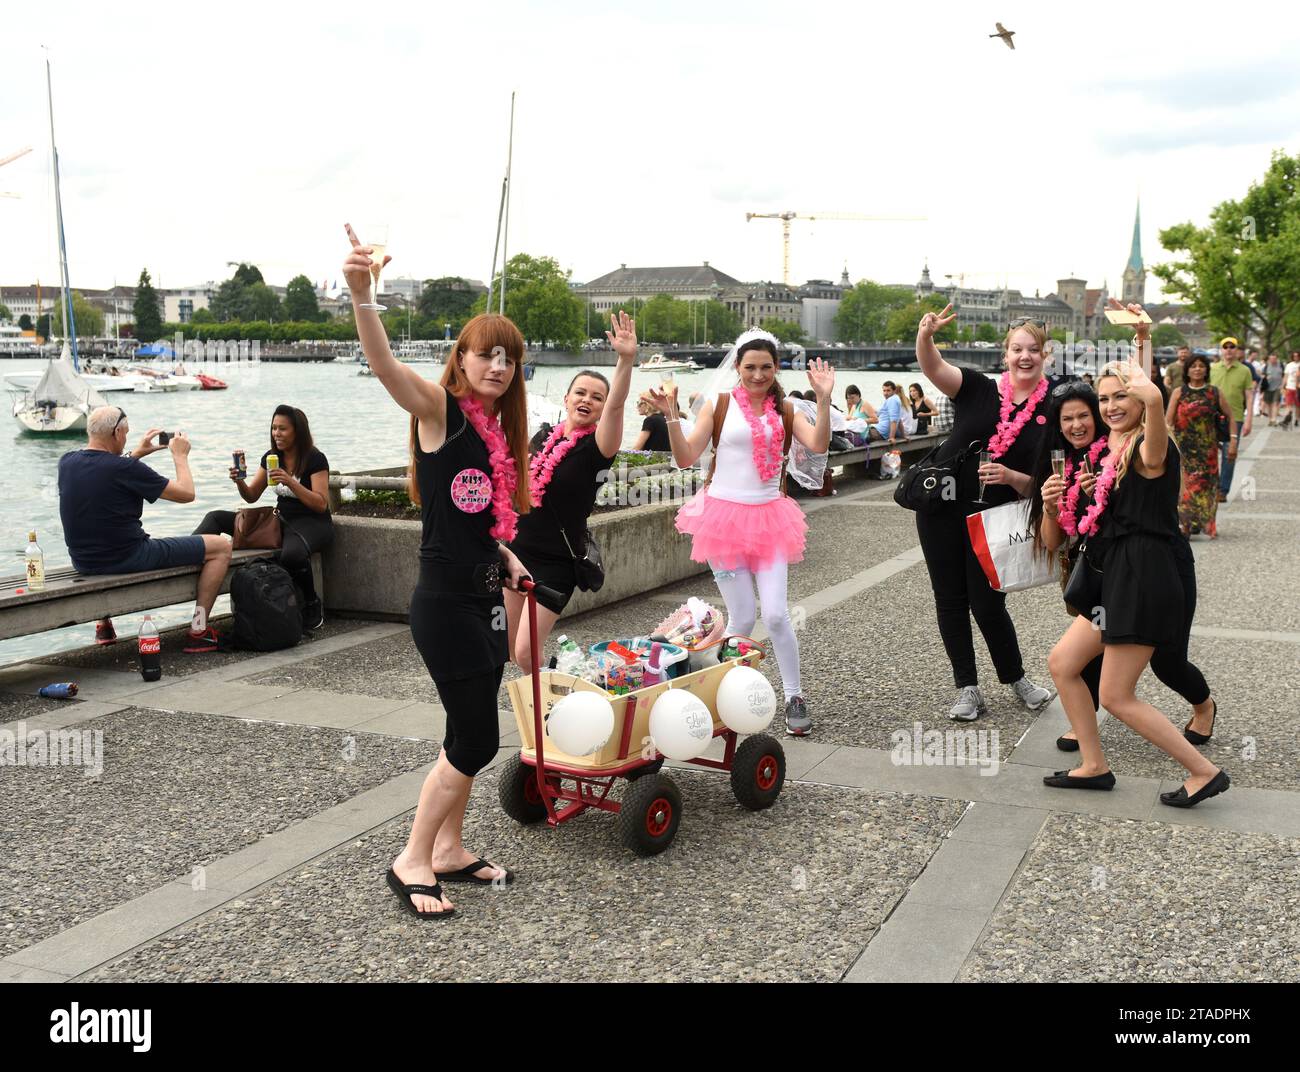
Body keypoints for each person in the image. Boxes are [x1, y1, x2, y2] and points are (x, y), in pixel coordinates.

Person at [345, 224, 529, 919]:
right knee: (477, 736)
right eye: (488, 355)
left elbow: (478, 524)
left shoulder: (492, 435)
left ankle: (450, 848)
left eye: (510, 359)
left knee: (466, 735)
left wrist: (506, 557)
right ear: (462, 359)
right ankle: (412, 858)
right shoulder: (440, 411)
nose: (500, 368)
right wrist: (365, 297)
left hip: (482, 599)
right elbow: (387, 369)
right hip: (443, 605)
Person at [1041, 328, 1228, 807]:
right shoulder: (1114, 449)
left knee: (1118, 695)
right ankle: (1093, 764)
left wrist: (1150, 393)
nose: (1109, 406)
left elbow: (1151, 417)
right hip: (1115, 576)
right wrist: (1081, 495)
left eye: (1119, 397)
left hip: (1145, 575)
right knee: (1063, 663)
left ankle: (1202, 771)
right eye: (1103, 398)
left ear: (1143, 401)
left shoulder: (1150, 448)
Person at [649, 329, 834, 736]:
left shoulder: (786, 409)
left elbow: (818, 445)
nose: (757, 374)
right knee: (743, 616)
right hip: (723, 520)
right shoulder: (716, 405)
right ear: (737, 367)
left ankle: (793, 695)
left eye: (766, 366)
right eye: (749, 367)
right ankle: (721, 694)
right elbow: (684, 458)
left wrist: (822, 399)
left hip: (771, 519)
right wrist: (670, 416)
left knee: (776, 614)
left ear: (776, 367)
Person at [913, 307, 1055, 721]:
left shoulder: (1052, 411)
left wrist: (1010, 475)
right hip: (941, 507)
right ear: (1004, 354)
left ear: (1045, 355)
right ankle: (967, 688)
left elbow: (1044, 484)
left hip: (996, 516)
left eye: (1033, 349)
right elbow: (933, 366)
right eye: (1016, 349)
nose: (1024, 356)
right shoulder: (978, 389)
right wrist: (926, 336)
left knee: (989, 602)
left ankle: (1016, 679)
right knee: (950, 599)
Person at [503, 313, 636, 671]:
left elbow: (618, 404)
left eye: (597, 397)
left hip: (557, 562)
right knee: (513, 651)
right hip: (518, 551)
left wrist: (625, 360)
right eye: (580, 392)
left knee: (528, 651)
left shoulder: (598, 448)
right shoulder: (544, 436)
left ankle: (558, 708)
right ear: (566, 397)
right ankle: (553, 696)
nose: (587, 400)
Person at [58, 406, 232, 654]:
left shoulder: (67, 463)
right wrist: (180, 456)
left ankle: (103, 626)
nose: (126, 438)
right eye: (126, 434)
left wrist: (135, 454)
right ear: (117, 432)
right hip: (129, 557)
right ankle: (199, 630)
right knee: (221, 547)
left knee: (100, 527)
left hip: (84, 561)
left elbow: (103, 471)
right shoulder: (125, 469)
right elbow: (186, 493)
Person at [192, 405, 333, 630]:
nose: (276, 433)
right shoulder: (271, 457)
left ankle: (311, 602)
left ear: (298, 431)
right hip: (279, 520)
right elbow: (251, 496)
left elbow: (321, 503)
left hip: (312, 522)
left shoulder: (315, 459)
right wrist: (239, 480)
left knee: (293, 555)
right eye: (274, 428)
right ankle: (188, 555)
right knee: (215, 517)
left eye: (283, 429)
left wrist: (291, 482)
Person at [1165, 353, 1234, 538]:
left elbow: (1231, 416)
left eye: (1201, 366)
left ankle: (1208, 525)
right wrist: (1166, 445)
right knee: (1186, 488)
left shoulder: (1214, 392)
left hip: (1207, 450)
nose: (1197, 369)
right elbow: (1168, 422)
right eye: (1193, 366)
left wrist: (1233, 440)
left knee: (1207, 487)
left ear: (1206, 370)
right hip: (1184, 449)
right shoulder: (1179, 392)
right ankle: (1186, 526)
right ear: (1187, 370)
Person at [1209, 338, 1254, 502]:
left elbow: (1249, 397)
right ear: (1221, 350)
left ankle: (1223, 489)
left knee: (1230, 454)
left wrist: (1249, 420)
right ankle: (1211, 486)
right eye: (1225, 347)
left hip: (1235, 417)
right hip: (1213, 417)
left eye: (1232, 347)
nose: (1228, 350)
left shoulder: (1245, 371)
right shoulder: (1213, 369)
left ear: (1236, 350)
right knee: (1209, 453)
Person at [1262, 353, 1284, 425]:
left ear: (1277, 358)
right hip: (1268, 387)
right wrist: (1266, 377)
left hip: (1277, 387)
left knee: (1275, 403)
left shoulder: (1280, 365)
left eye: (1274, 359)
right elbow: (1262, 375)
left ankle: (1274, 419)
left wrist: (1282, 385)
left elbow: (1284, 375)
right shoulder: (1266, 366)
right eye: (1271, 359)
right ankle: (1270, 419)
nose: (1272, 360)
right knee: (1269, 404)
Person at [1283, 351, 1299, 429]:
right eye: (1294, 356)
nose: (1296, 357)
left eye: (1297, 356)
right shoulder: (1289, 365)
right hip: (1290, 387)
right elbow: (1286, 376)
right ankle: (1287, 419)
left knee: (1298, 405)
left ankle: (1296, 419)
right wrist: (1283, 385)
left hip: (1298, 388)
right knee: (1288, 404)